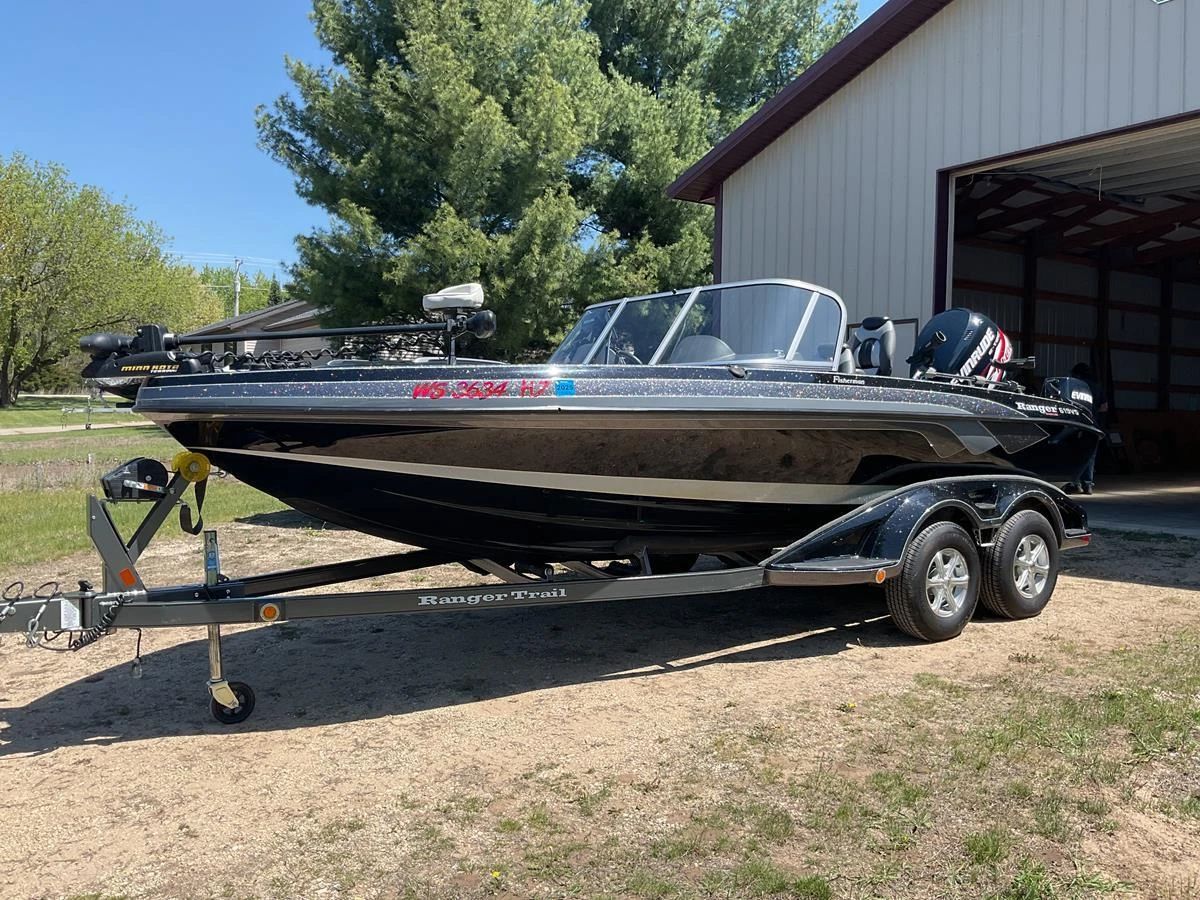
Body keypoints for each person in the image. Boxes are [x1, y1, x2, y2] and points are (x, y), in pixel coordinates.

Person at [1067, 362, 1108, 495]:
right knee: (1090, 455)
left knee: (1074, 454)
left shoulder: (1074, 385)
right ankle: (1088, 485)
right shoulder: (1097, 386)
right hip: (1094, 425)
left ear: (1077, 374)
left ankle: (1075, 483)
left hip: (1078, 424)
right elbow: (1104, 407)